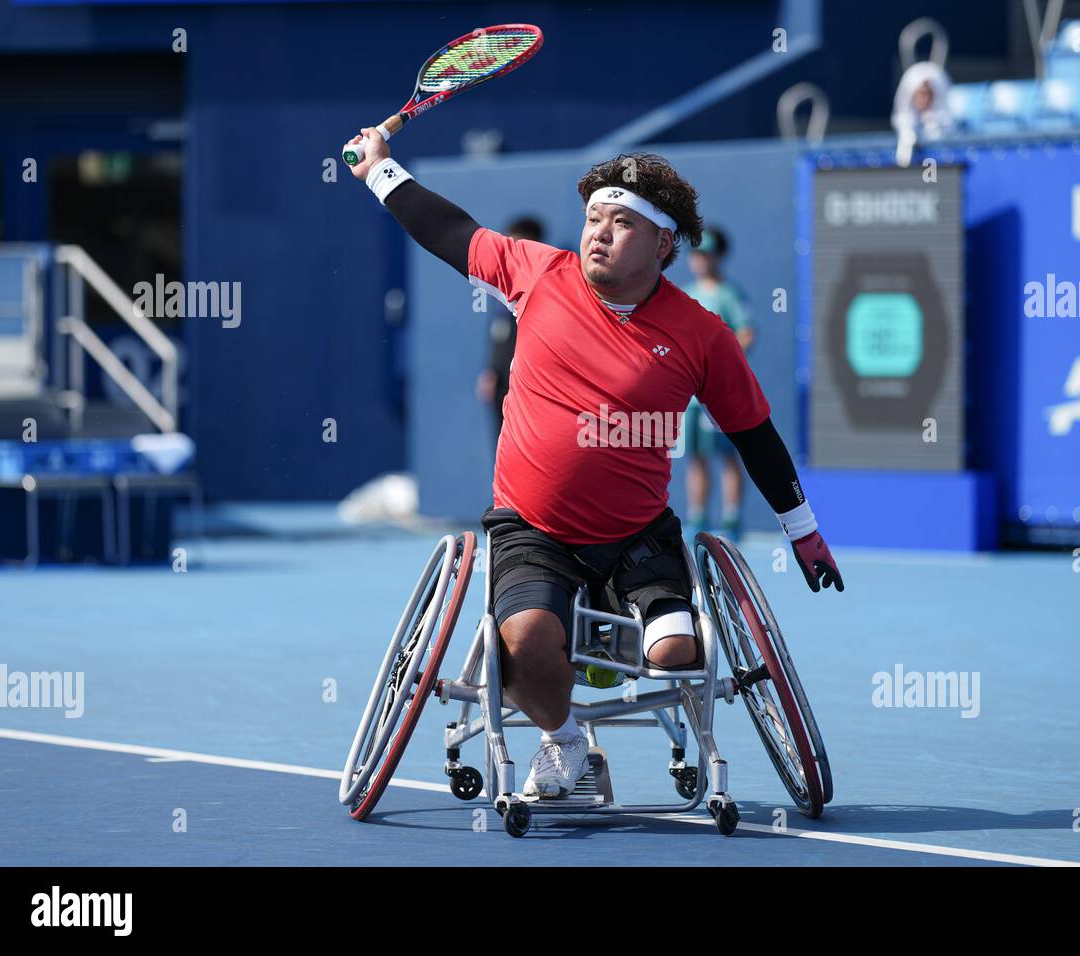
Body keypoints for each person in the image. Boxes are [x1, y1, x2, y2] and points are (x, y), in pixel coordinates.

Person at [346, 132, 843, 799]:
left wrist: (803, 532)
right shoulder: (536, 274)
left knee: (676, 650)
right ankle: (569, 740)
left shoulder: (701, 334)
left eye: (622, 223)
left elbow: (755, 435)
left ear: (663, 244)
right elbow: (448, 230)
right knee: (523, 645)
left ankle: (604, 647)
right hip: (534, 533)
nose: (599, 234)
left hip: (638, 539)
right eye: (593, 220)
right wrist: (379, 169)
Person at [681, 227, 753, 542]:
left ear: (720, 256)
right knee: (695, 456)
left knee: (727, 455)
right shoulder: (683, 294)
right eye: (697, 253)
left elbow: (747, 333)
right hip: (690, 400)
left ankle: (732, 518)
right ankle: (697, 517)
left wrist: (717, 367)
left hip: (718, 398)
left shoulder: (729, 294)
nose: (701, 259)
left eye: (707, 252)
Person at [476, 216, 545, 441]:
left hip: (528, 387)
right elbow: (500, 334)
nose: (510, 252)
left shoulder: (543, 287)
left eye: (516, 244)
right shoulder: (504, 288)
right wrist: (492, 371)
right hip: (501, 385)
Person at [891, 60, 955, 166]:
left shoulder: (948, 124)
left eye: (927, 93)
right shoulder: (905, 128)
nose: (923, 99)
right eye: (920, 93)